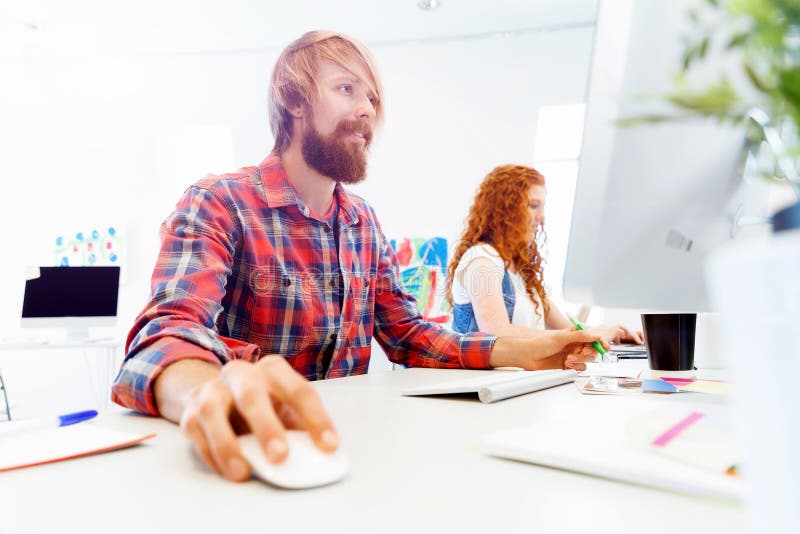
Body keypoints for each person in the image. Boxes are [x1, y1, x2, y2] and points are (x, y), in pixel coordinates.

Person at [111, 31, 618, 482]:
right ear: (293, 100)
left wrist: (526, 351)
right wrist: (202, 391)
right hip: (253, 461)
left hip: (351, 456)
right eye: (347, 89)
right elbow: (164, 335)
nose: (367, 109)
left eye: (372, 98)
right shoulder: (219, 200)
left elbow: (410, 336)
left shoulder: (364, 222)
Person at [447, 164, 643, 342]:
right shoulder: (483, 259)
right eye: (533, 206)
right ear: (503, 210)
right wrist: (586, 335)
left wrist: (613, 333)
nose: (541, 218)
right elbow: (497, 332)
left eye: (542, 207)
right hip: (487, 380)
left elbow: (569, 329)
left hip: (522, 378)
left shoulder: (522, 271)